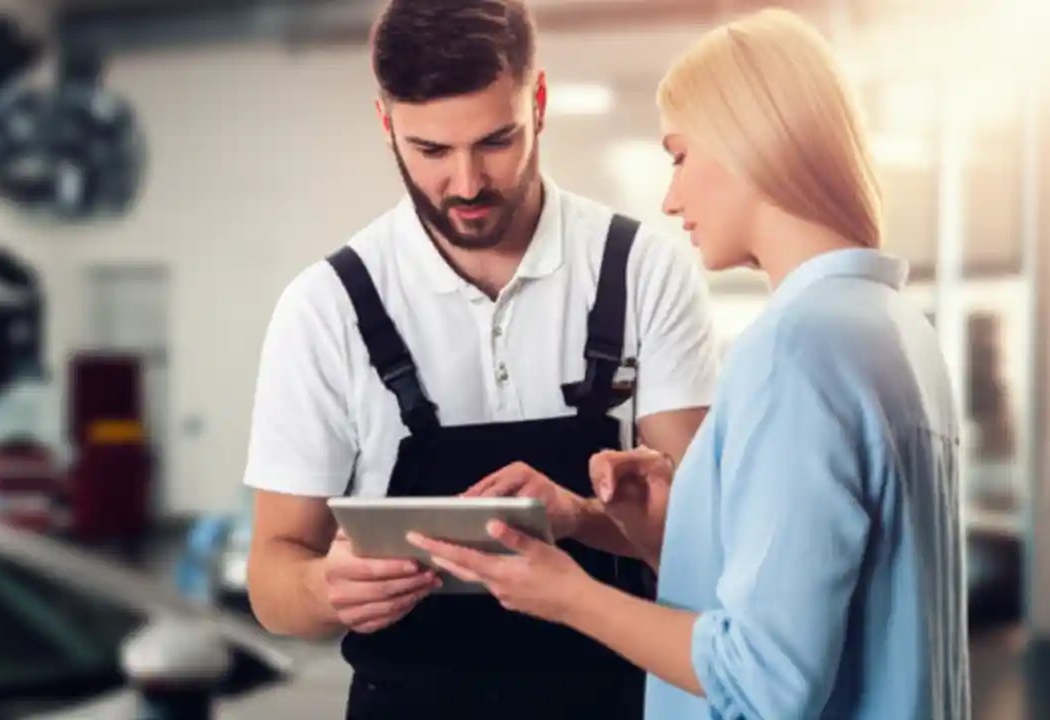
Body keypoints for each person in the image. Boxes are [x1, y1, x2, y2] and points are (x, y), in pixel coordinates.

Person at [412, 8, 969, 720]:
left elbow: (762, 679)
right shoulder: (894, 329)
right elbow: (826, 598)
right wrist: (633, 523)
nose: (671, 198)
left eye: (678, 155)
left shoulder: (795, 349)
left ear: (750, 141)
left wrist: (567, 595)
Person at [242, 1, 721, 718]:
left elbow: (700, 540)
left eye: (496, 141)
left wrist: (584, 515)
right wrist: (323, 590)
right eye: (430, 151)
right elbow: (273, 575)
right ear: (386, 126)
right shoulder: (325, 307)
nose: (466, 184)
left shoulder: (643, 270)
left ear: (539, 102)